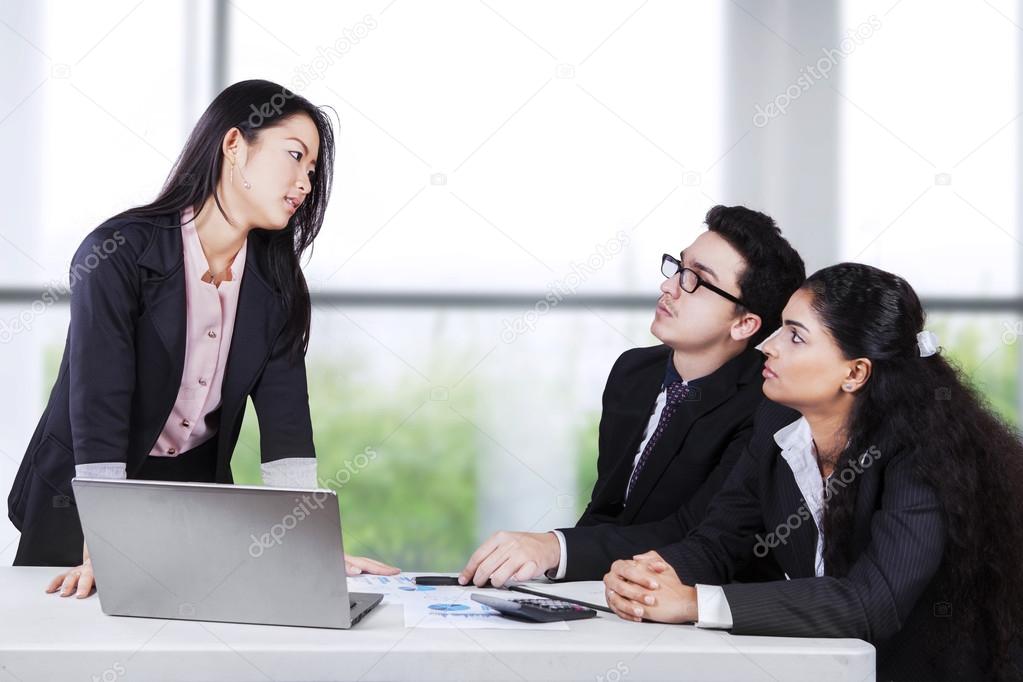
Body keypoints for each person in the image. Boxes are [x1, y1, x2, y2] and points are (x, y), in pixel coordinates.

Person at [7, 80, 399, 598]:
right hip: (83, 495)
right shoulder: (117, 252)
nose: (305, 183)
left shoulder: (277, 283)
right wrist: (103, 537)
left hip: (192, 499)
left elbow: (287, 426)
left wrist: (307, 545)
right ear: (234, 145)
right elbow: (98, 402)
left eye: (311, 170)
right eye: (295, 156)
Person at [602, 263, 1023, 680]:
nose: (769, 345)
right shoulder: (775, 423)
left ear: (855, 372)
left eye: (796, 336)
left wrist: (696, 603)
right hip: (826, 667)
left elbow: (870, 602)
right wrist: (649, 575)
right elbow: (718, 542)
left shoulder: (922, 452)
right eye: (781, 327)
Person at [459, 205, 805, 586]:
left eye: (696, 280)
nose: (669, 287)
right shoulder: (634, 372)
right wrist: (551, 569)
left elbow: (694, 532)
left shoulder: (768, 407)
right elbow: (607, 510)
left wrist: (555, 548)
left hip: (705, 608)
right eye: (678, 267)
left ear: (744, 324)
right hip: (618, 590)